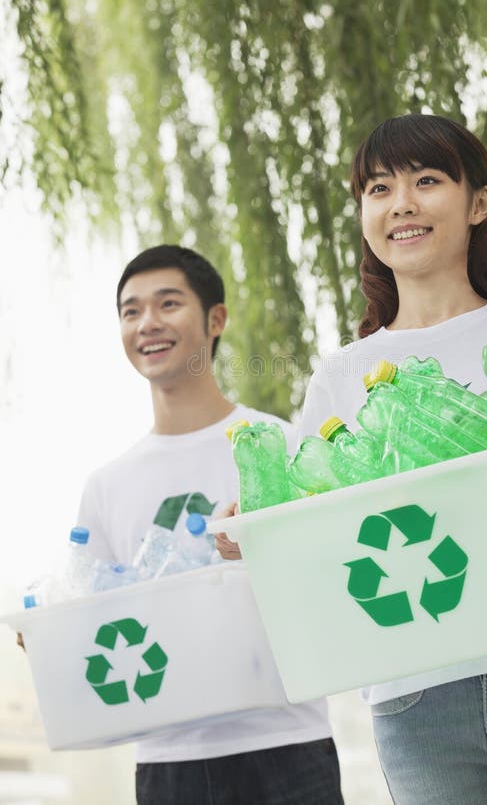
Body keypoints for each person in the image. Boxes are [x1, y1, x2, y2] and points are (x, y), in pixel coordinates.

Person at [295, 114, 487, 804]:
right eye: (378, 188)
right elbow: (308, 539)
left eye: (426, 180)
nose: (401, 202)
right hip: (413, 694)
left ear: (480, 203)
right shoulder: (340, 378)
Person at [77, 244, 344, 805]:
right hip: (167, 758)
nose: (147, 323)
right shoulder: (107, 484)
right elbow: (93, 618)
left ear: (215, 318)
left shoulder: (282, 445)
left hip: (288, 741)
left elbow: (335, 575)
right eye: (130, 311)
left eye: (167, 303)